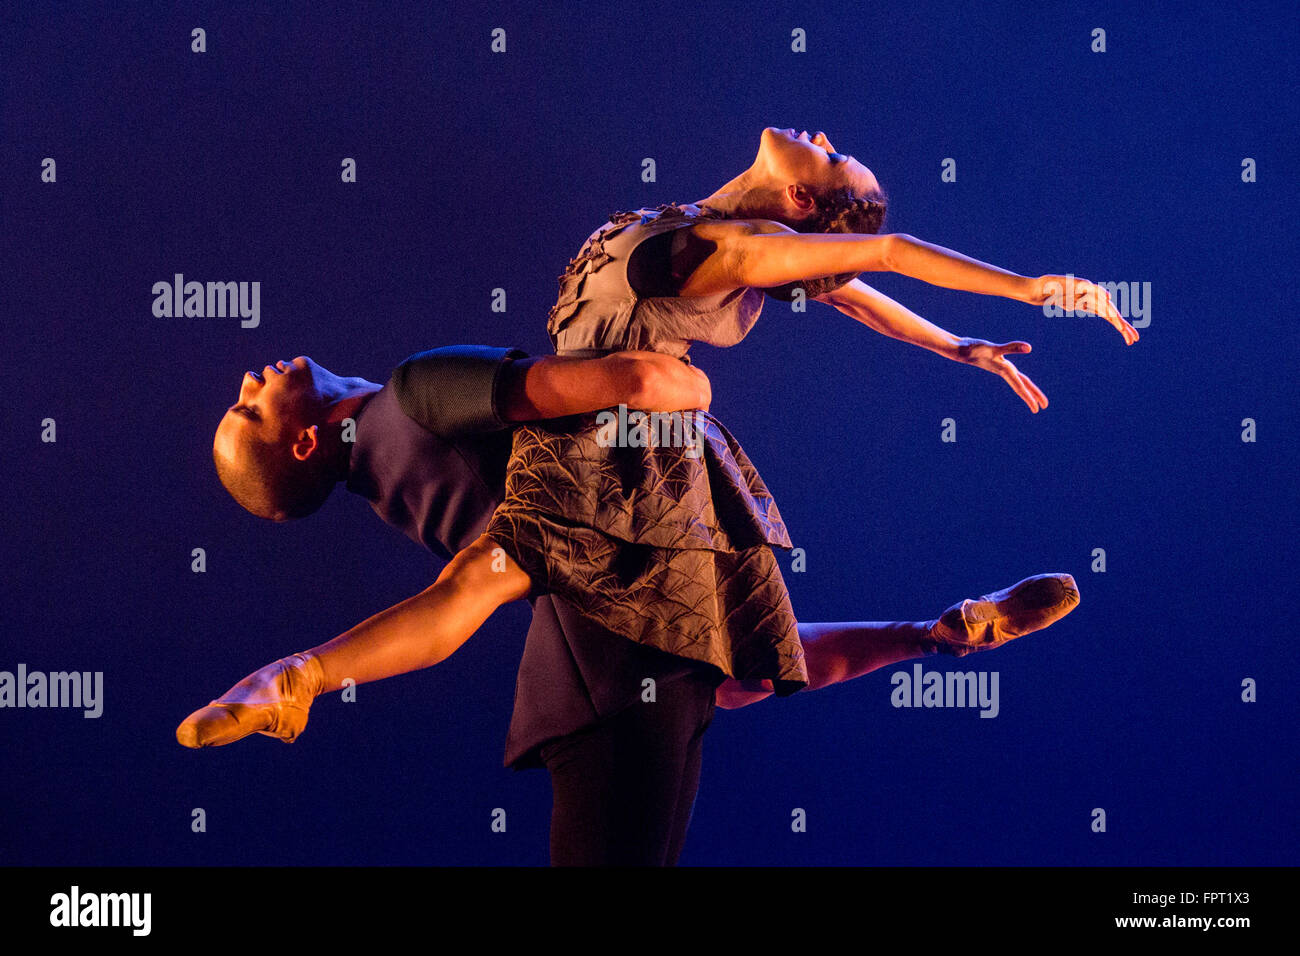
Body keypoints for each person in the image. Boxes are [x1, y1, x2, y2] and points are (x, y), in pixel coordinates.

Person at [183, 124, 1129, 863]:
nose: (249, 380)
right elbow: (857, 275)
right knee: (723, 656)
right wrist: (977, 329)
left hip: (625, 459)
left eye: (833, 159)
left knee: (507, 590)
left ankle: (299, 676)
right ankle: (938, 633)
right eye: (250, 411)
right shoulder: (692, 242)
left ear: (798, 196)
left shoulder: (720, 246)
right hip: (646, 464)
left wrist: (1019, 300)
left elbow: (869, 264)